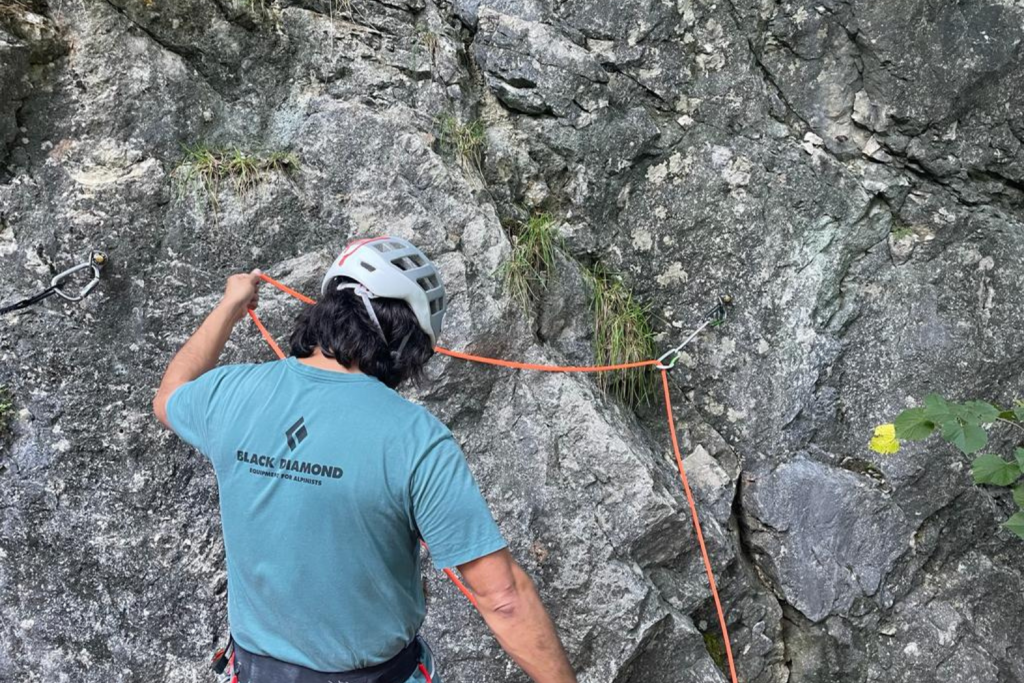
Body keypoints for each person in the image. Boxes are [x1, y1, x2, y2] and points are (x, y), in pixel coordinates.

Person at [152, 236, 578, 683]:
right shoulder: (416, 438)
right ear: (409, 342)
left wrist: (230, 306)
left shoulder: (230, 394)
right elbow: (503, 598)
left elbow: (167, 399)